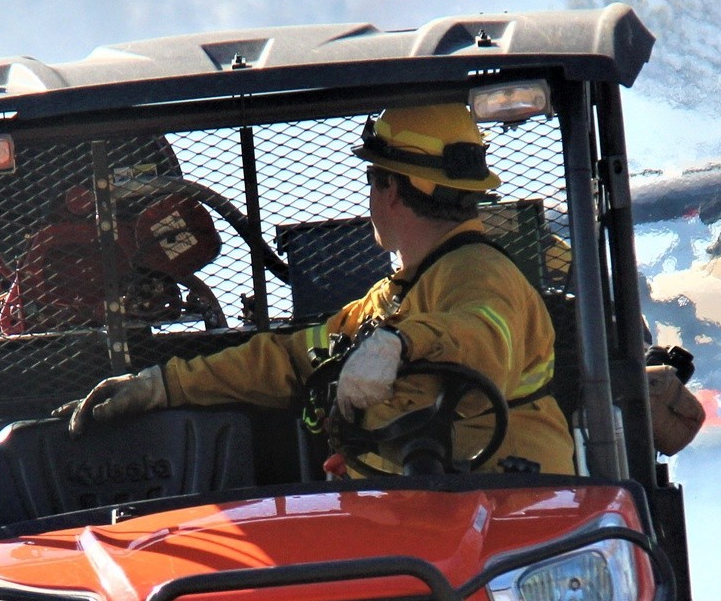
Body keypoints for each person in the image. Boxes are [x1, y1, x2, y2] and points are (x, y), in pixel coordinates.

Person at [67, 104, 573, 474]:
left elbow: (482, 339)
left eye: (374, 180)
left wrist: (400, 344)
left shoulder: (479, 275)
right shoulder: (395, 297)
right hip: (431, 512)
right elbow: (290, 359)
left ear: (390, 188)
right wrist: (163, 385)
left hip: (506, 516)